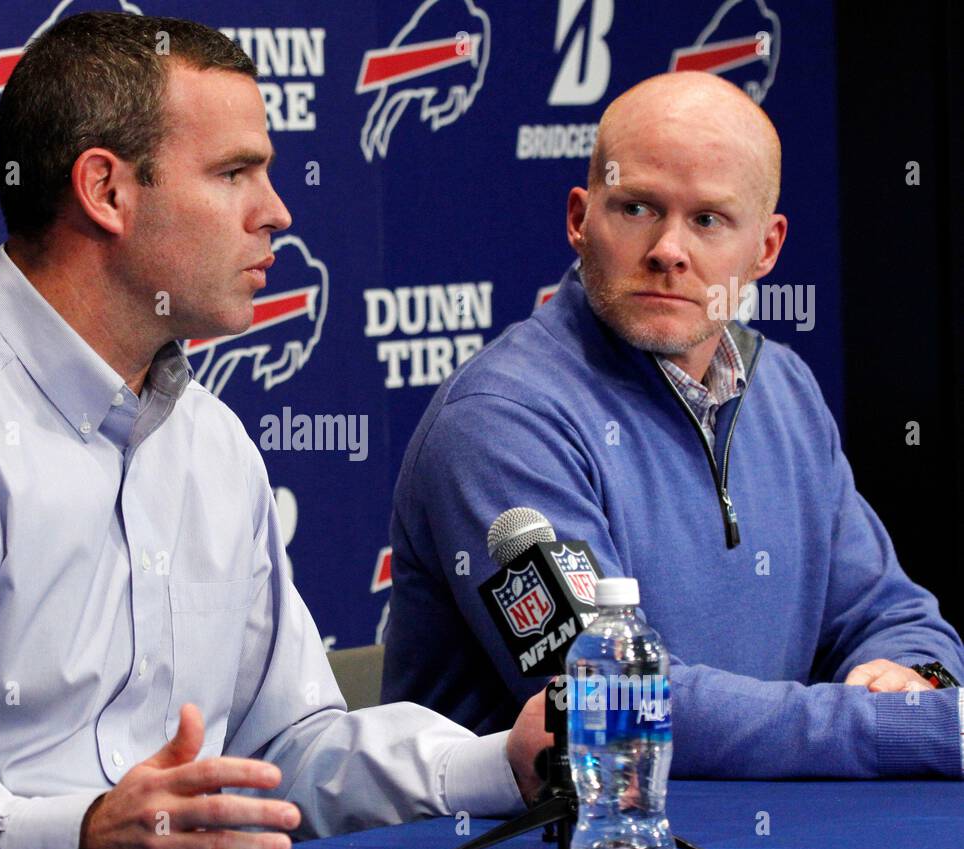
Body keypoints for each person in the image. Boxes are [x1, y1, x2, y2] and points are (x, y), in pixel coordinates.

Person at [0, 12, 546, 849]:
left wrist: (499, 761)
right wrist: (81, 838)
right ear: (108, 191)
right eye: (235, 172)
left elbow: (287, 749)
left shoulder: (212, 445)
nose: (275, 212)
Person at [384, 71, 964, 779]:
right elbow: (612, 698)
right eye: (636, 208)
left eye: (709, 220)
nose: (668, 249)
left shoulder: (783, 387)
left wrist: (917, 682)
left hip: (764, 842)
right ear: (579, 219)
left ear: (768, 248)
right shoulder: (500, 421)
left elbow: (892, 614)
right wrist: (894, 730)